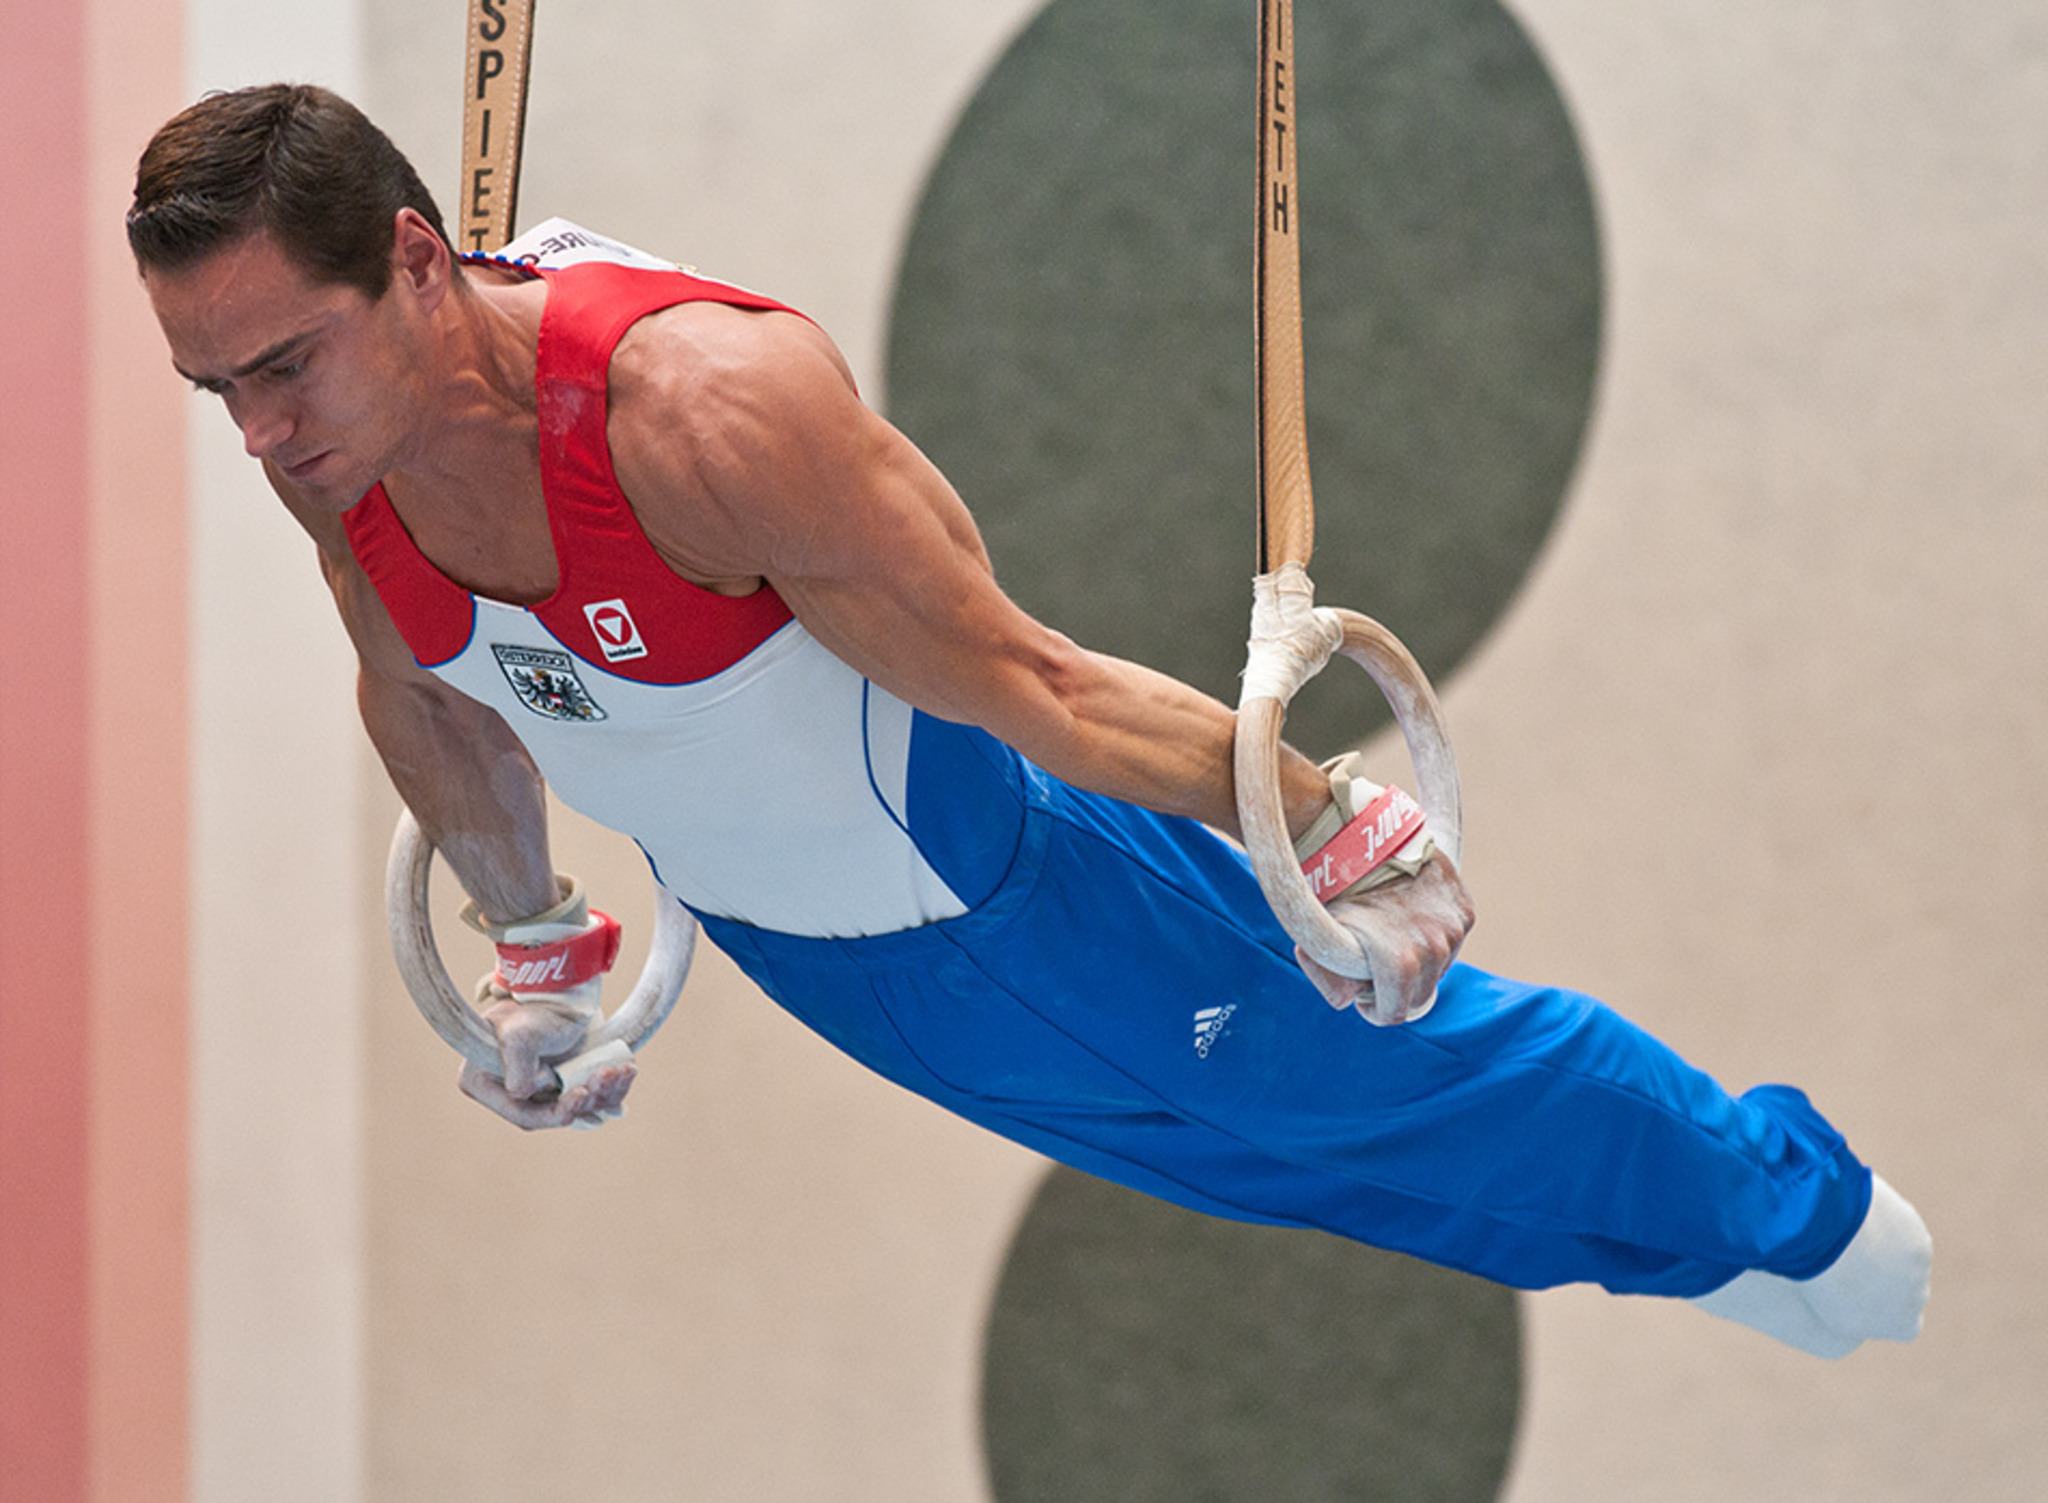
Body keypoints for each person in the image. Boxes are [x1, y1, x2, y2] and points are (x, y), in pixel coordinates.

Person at [129, 83, 1930, 1359]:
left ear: (421, 264)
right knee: (1278, 1174)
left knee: (1413, 1090)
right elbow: (423, 697)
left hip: (1011, 888)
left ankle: (1802, 1212)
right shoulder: (335, 450)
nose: (260, 433)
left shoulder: (700, 418)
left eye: (282, 364)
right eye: (217, 387)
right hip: (813, 955)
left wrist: (1312, 814)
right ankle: (1723, 1258)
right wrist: (528, 937)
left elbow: (1033, 679)